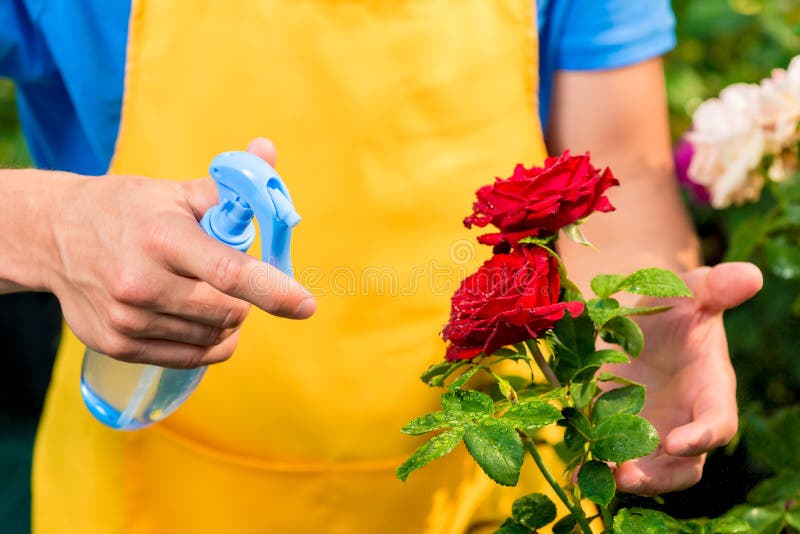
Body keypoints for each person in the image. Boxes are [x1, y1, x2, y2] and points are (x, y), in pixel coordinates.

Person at [0, 0, 762, 532]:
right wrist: (49, 226)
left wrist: (632, 324)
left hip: (490, 480)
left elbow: (621, 170)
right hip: (154, 480)